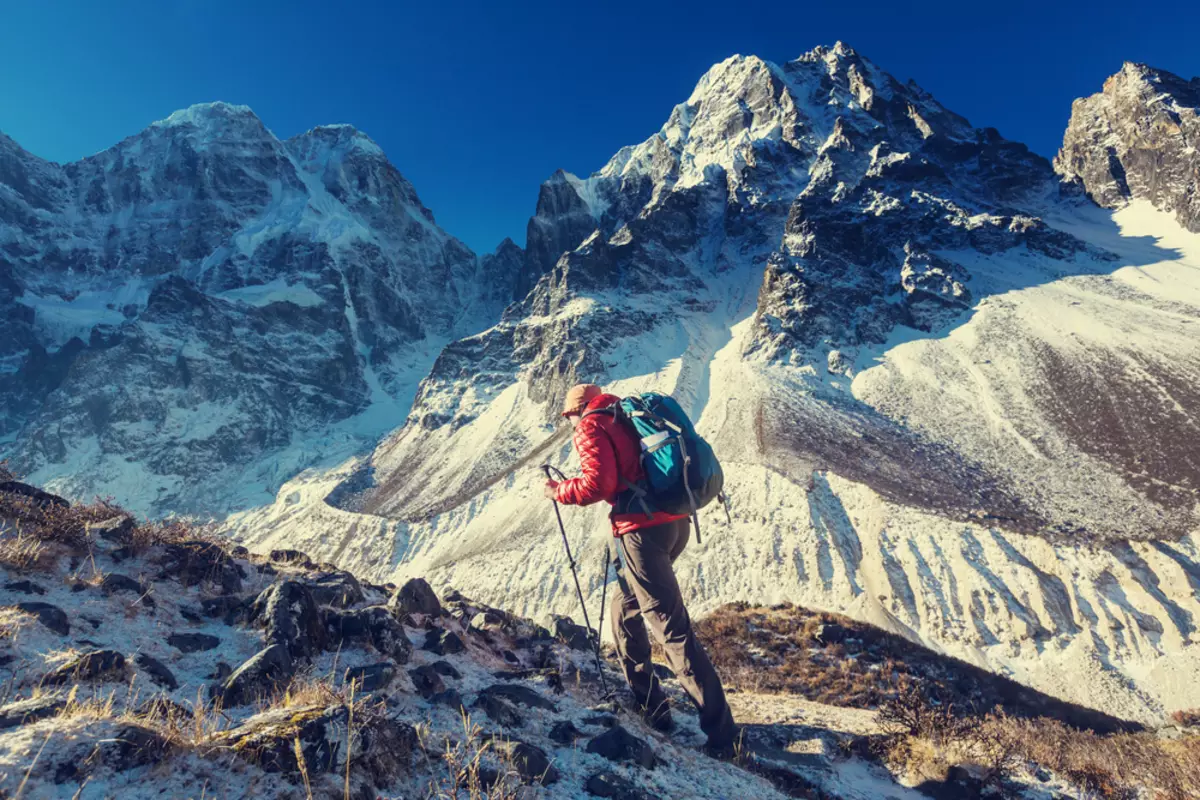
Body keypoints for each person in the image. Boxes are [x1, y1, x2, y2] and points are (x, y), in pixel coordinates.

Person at [543, 383, 737, 754]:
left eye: (569, 416)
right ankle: (651, 704)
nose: (570, 423)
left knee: (671, 629)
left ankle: (723, 736)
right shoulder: (626, 415)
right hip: (674, 523)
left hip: (640, 533)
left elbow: (599, 485)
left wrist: (559, 491)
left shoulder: (591, 425)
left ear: (578, 409)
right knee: (624, 606)